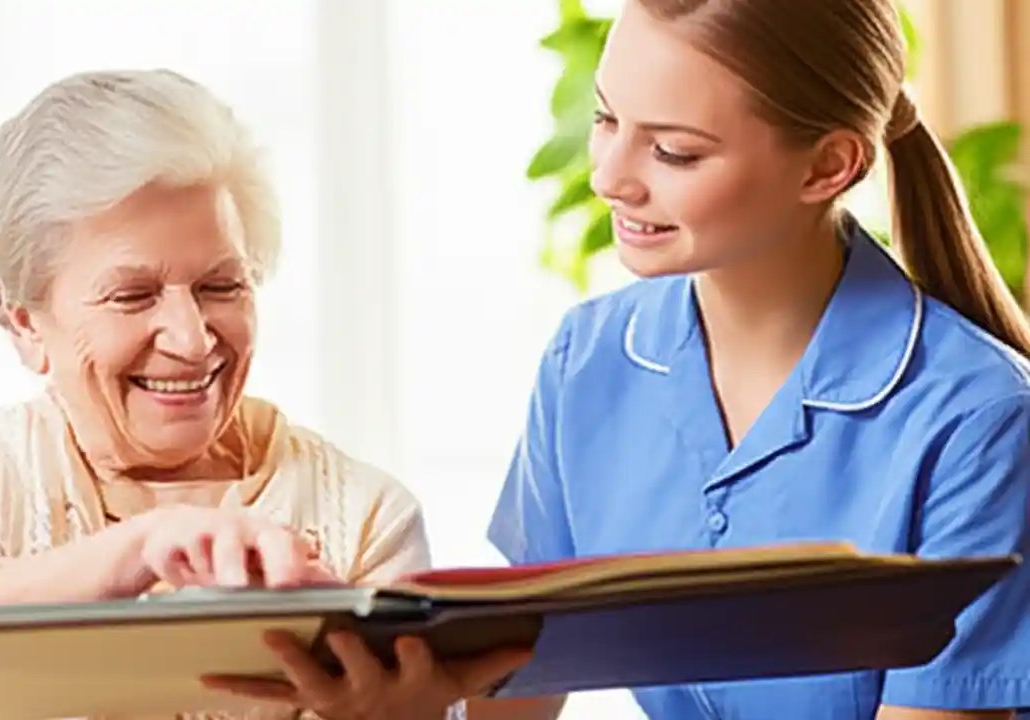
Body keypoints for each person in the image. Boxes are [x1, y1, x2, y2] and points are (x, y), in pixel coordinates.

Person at [212, 0, 1030, 719]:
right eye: (607, 120)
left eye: (673, 152)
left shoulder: (978, 419)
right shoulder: (588, 360)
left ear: (828, 165)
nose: (609, 177)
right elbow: (515, 684)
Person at [0, 68, 531, 720]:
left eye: (222, 286)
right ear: (21, 321)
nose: (193, 339)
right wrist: (140, 547)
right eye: (132, 295)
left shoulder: (362, 514)